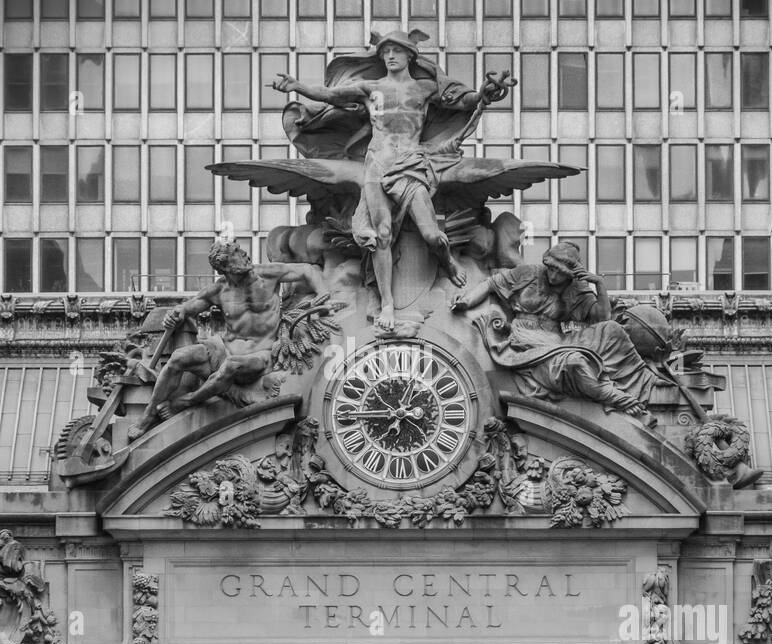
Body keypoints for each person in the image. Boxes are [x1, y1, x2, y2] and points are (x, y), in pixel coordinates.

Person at [268, 30, 512, 332]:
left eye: (396, 51)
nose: (390, 56)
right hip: (377, 165)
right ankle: (386, 303)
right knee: (381, 236)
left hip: (411, 165)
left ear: (410, 55)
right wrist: (298, 87)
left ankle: (448, 261)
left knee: (432, 235)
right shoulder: (371, 87)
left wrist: (486, 93)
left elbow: (465, 100)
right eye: (385, 52)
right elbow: (331, 96)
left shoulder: (425, 87)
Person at [127, 239, 325, 441]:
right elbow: (190, 307)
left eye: (240, 250)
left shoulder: (267, 274)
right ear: (225, 267)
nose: (245, 254)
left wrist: (325, 296)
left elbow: (308, 271)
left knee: (231, 365)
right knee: (179, 357)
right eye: (237, 254)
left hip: (261, 355)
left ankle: (185, 402)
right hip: (224, 349)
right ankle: (148, 415)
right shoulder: (219, 290)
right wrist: (176, 313)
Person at [451, 241, 664, 418]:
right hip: (527, 336)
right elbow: (490, 284)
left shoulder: (575, 288)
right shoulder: (529, 273)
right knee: (574, 362)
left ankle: (645, 378)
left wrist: (599, 284)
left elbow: (602, 317)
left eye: (559, 273)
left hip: (557, 337)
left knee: (612, 330)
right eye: (551, 269)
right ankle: (611, 395)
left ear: (570, 274)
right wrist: (466, 301)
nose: (553, 276)